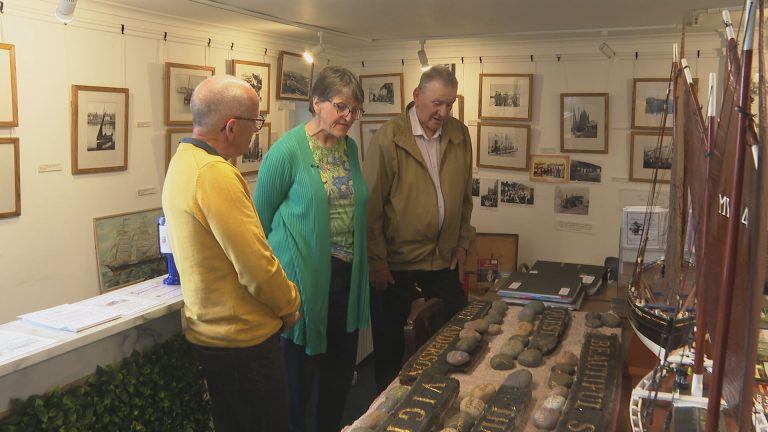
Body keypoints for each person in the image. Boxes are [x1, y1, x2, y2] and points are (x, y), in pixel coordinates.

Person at [161, 75, 301, 432]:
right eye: (255, 123)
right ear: (231, 126)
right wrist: (289, 305)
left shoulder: (182, 161)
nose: (256, 132)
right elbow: (255, 264)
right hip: (243, 343)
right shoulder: (214, 173)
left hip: (214, 337)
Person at [253, 66, 370, 432]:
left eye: (354, 110)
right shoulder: (286, 151)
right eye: (340, 107)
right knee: (299, 384)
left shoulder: (350, 148)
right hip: (302, 282)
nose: (348, 117)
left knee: (338, 378)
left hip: (346, 279)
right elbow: (261, 217)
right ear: (316, 102)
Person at [363, 65, 476, 391]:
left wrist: (462, 241)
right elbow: (371, 205)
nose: (443, 112)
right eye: (437, 103)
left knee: (458, 331)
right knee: (389, 351)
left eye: (450, 104)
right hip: (395, 263)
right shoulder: (389, 137)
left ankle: (445, 398)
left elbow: (464, 196)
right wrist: (377, 261)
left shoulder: (458, 134)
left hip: (442, 259)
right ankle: (383, 416)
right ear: (417, 97)